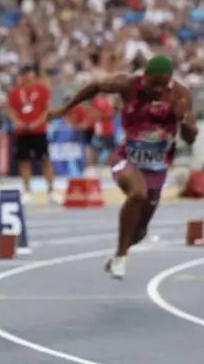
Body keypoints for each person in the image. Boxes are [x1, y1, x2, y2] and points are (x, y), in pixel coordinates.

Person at [48, 55, 197, 279]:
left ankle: (119, 253)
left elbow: (192, 137)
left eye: (161, 84)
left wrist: (184, 121)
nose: (156, 89)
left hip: (157, 166)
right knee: (137, 193)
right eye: (152, 83)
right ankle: (120, 257)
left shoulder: (180, 95)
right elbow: (96, 86)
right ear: (144, 76)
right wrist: (64, 109)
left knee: (140, 231)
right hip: (127, 156)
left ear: (169, 80)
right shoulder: (128, 85)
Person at [7, 65, 60, 203]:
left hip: (39, 131)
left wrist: (36, 123)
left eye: (30, 74)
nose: (28, 77)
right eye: (25, 75)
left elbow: (46, 110)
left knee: (45, 160)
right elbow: (11, 111)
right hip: (22, 131)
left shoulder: (42, 90)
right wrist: (19, 123)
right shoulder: (15, 92)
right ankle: (27, 191)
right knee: (24, 162)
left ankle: (52, 190)